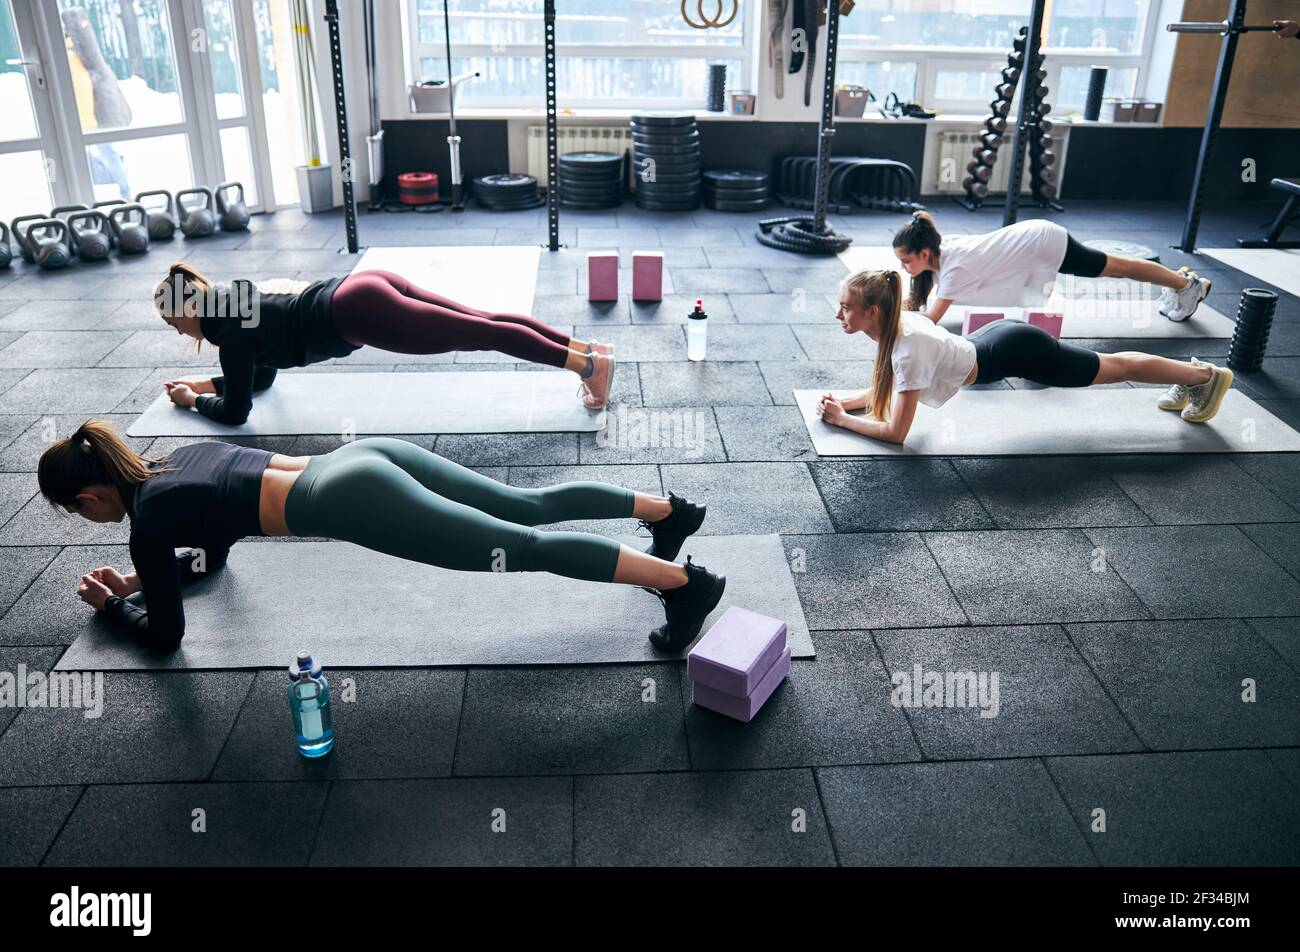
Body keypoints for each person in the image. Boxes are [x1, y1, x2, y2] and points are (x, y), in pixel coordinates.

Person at [38, 422, 721, 654]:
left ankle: (686, 587)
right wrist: (144, 579)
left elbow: (166, 639)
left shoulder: (147, 522)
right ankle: (667, 513)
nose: (87, 520)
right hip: (364, 457)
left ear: (90, 496)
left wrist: (116, 608)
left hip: (351, 499)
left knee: (522, 547)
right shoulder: (171, 459)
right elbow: (213, 551)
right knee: (528, 504)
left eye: (78, 512)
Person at [153, 264, 616, 425]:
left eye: (175, 323)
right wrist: (205, 382)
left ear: (188, 309)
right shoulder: (232, 300)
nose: (180, 333)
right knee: (483, 319)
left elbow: (237, 411)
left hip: (357, 313)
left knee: (480, 333)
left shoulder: (227, 335)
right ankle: (587, 351)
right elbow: (262, 373)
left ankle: (585, 367)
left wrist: (195, 401)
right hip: (361, 286)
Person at [817, 270, 1234, 446]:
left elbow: (896, 433)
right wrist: (848, 401)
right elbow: (889, 388)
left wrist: (843, 419)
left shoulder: (907, 347)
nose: (838, 314)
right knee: (1112, 366)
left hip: (1018, 350)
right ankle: (1192, 376)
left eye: (845, 307)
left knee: (1112, 368)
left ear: (872, 312)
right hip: (998, 340)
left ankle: (1203, 376)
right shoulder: (895, 326)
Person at [891, 210, 1211, 324]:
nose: (904, 268)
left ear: (923, 252)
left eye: (906, 261)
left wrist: (892, 320)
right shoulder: (941, 250)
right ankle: (1180, 282)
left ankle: (1186, 285)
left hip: (1045, 243)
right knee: (1113, 266)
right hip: (1035, 236)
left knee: (1114, 267)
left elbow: (932, 320)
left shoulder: (953, 270)